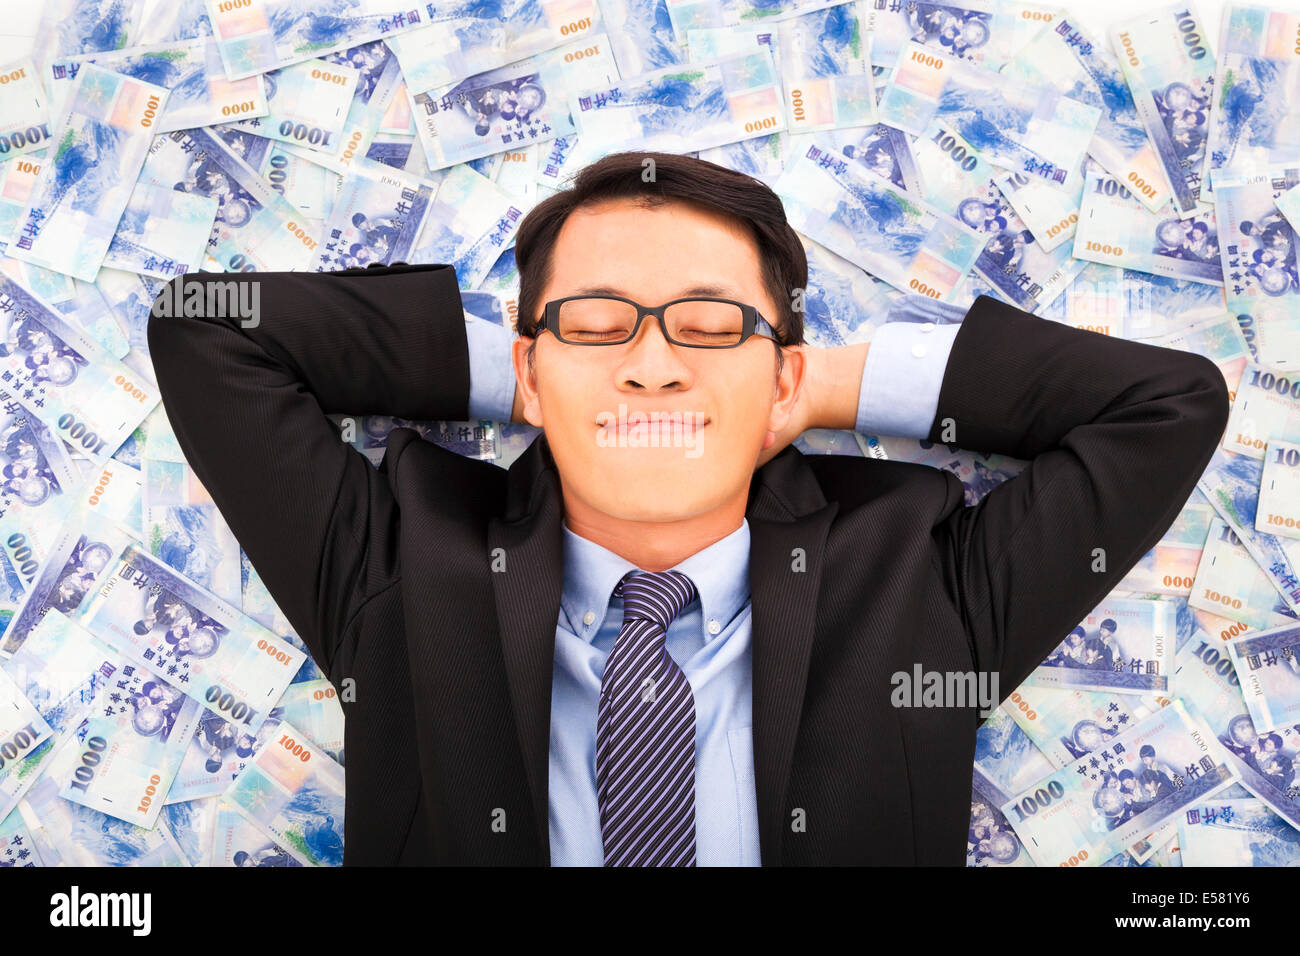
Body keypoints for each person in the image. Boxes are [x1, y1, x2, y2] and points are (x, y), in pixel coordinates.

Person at [147, 150, 1231, 865]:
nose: (656, 366)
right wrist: (543, 371)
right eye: (602, 320)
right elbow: (204, 323)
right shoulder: (396, 565)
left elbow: (1166, 402)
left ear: (781, 372)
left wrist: (814, 384)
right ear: (528, 372)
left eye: (711, 327)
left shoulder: (923, 581)